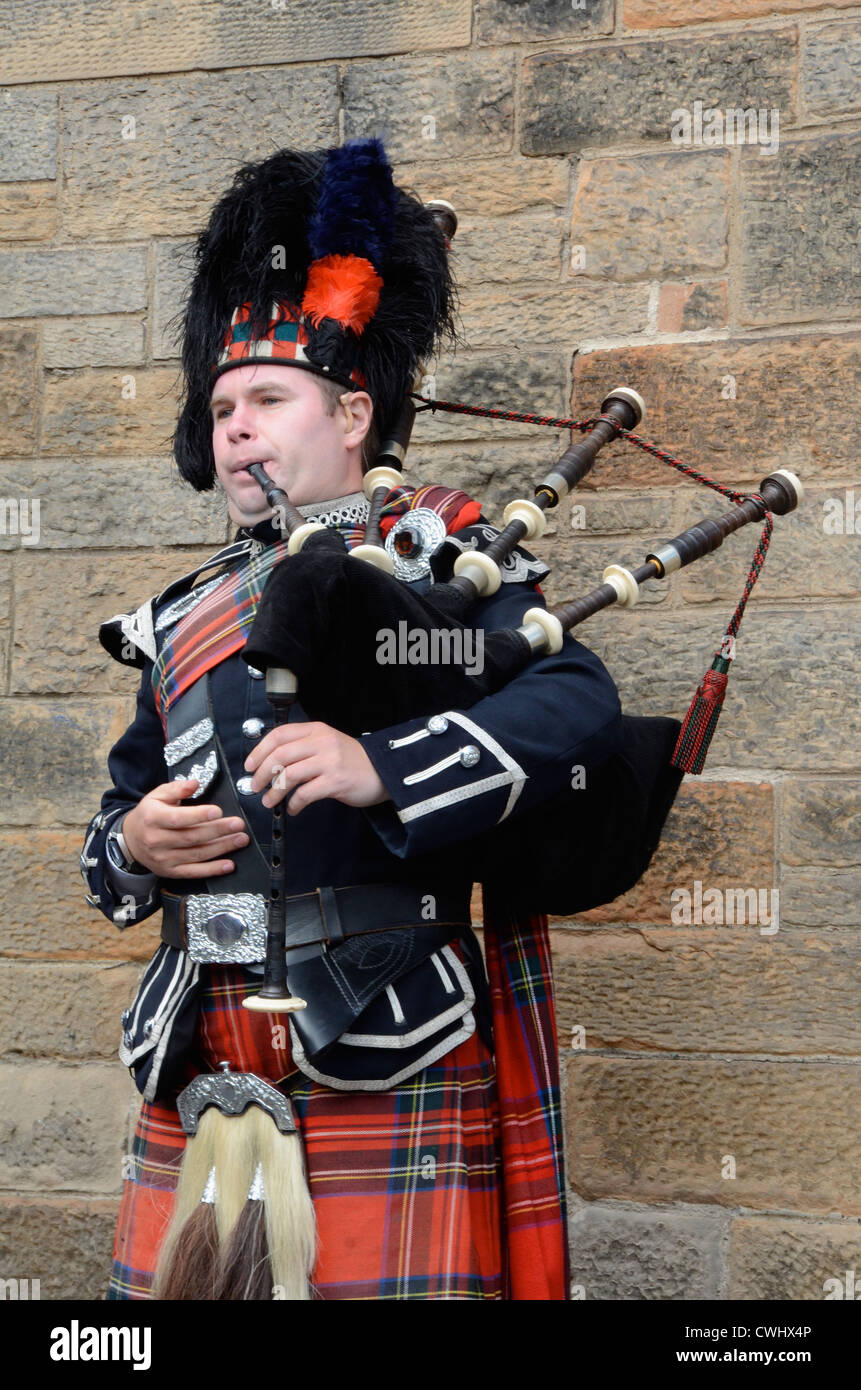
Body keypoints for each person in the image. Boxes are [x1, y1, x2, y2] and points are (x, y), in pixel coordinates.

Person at [80, 139, 623, 1301]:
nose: (235, 425)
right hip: (200, 1050)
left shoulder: (434, 559)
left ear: (356, 414)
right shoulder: (181, 616)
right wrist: (134, 843)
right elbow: (116, 808)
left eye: (269, 399)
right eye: (221, 406)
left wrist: (378, 764)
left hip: (382, 1030)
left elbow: (572, 698)